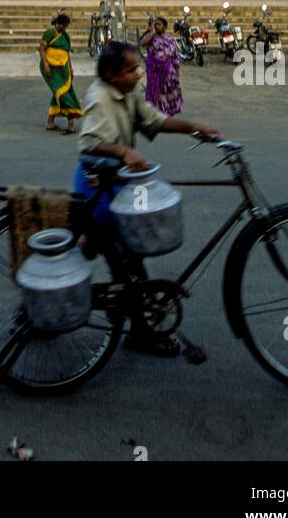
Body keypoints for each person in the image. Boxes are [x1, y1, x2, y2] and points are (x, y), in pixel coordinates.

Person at [72, 40, 220, 355]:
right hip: (97, 184)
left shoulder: (127, 95)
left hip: (115, 183)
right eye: (131, 69)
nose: (139, 73)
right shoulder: (100, 98)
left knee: (110, 252)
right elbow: (88, 142)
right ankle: (137, 330)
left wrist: (192, 127)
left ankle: (81, 289)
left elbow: (156, 121)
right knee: (128, 259)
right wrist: (124, 150)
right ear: (113, 75)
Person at [38, 12, 82, 133]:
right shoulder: (49, 33)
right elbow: (41, 48)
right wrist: (46, 65)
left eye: (66, 26)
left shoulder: (65, 36)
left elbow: (67, 53)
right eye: (64, 25)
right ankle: (71, 122)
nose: (65, 28)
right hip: (50, 69)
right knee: (62, 94)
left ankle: (50, 123)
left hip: (63, 69)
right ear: (58, 24)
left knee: (59, 92)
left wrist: (71, 69)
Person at [140, 15, 183, 116]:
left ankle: (165, 112)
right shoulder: (151, 37)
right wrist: (151, 32)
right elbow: (142, 44)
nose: (156, 26)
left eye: (159, 24)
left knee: (166, 93)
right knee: (154, 92)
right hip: (154, 71)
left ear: (165, 27)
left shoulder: (169, 39)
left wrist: (176, 72)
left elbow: (173, 55)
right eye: (155, 24)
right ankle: (154, 113)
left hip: (167, 71)